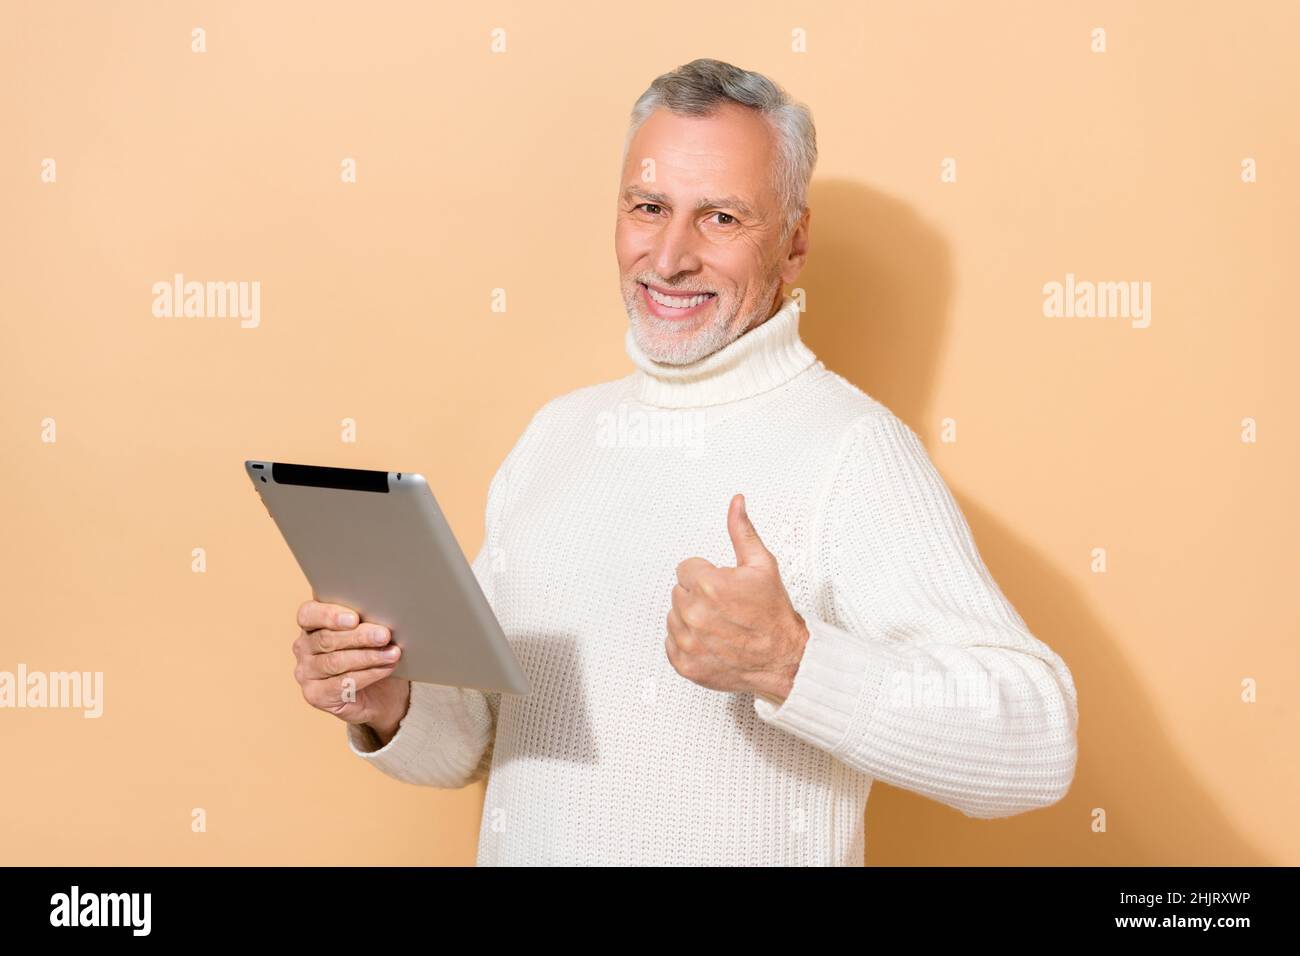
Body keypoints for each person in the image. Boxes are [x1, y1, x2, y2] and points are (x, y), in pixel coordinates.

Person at [290, 57, 1078, 866]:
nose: (669, 259)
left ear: (795, 244)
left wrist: (795, 664)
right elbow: (477, 746)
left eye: (722, 219)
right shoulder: (555, 436)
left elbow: (1038, 747)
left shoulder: (852, 448)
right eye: (649, 207)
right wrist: (391, 701)